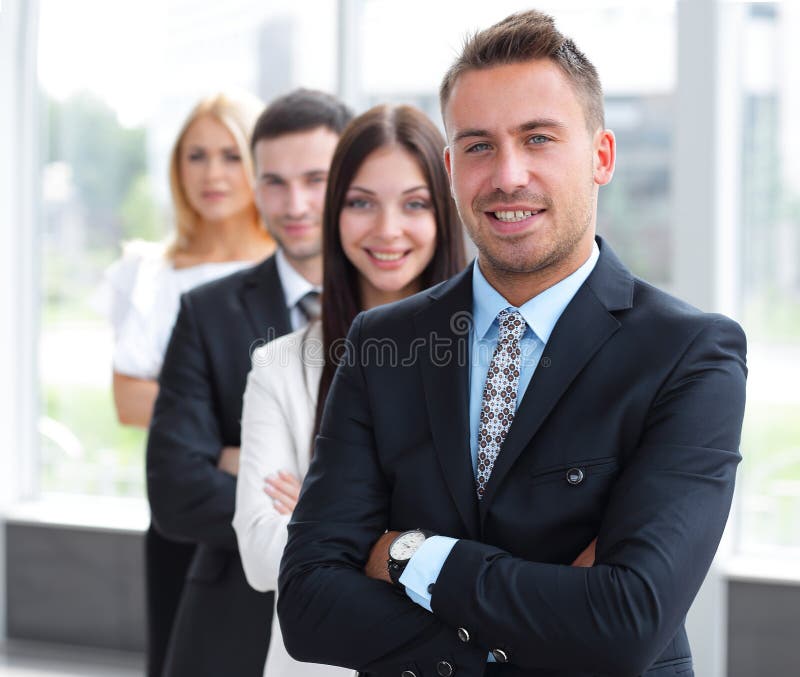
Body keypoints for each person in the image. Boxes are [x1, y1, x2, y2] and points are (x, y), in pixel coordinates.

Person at [277, 10, 747, 677]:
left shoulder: (689, 355)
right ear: (449, 167)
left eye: (538, 139)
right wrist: (551, 615)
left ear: (601, 156)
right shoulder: (383, 343)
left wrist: (411, 555)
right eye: (477, 146)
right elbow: (308, 605)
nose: (508, 174)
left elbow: (625, 622)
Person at [234, 104, 467, 676]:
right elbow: (262, 560)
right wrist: (418, 545)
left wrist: (329, 527)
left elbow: (523, 549)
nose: (387, 229)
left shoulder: (489, 354)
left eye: (414, 203)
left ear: (445, 211)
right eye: (361, 202)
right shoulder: (281, 365)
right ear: (335, 213)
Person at [146, 89, 352, 677]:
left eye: (316, 178)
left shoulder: (405, 313)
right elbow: (175, 489)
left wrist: (262, 473)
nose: (295, 204)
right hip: (231, 621)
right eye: (274, 182)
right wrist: (346, 511)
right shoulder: (206, 312)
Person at [99, 90, 273, 677]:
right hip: (186, 508)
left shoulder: (294, 268)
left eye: (230, 154)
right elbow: (126, 398)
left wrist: (225, 444)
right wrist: (212, 449)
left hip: (275, 502)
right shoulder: (148, 273)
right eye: (195, 156)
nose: (212, 173)